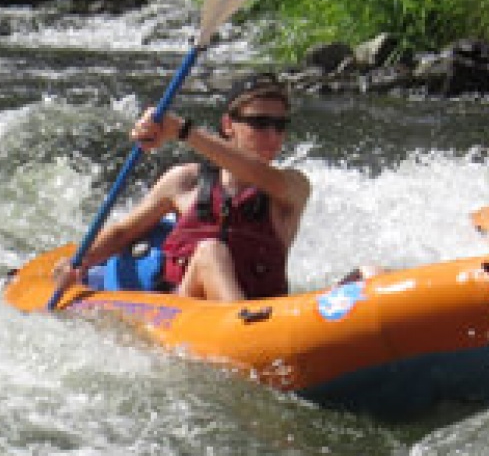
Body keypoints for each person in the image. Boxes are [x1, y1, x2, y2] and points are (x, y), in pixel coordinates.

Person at [56, 75, 312, 302]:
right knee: (210, 251)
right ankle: (244, 325)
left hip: (264, 312)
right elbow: (123, 233)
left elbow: (255, 173)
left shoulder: (291, 187)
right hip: (190, 306)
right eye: (260, 123)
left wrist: (181, 131)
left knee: (211, 250)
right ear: (228, 125)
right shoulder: (184, 182)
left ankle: (247, 325)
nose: (273, 135)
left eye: (280, 125)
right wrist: (79, 262)